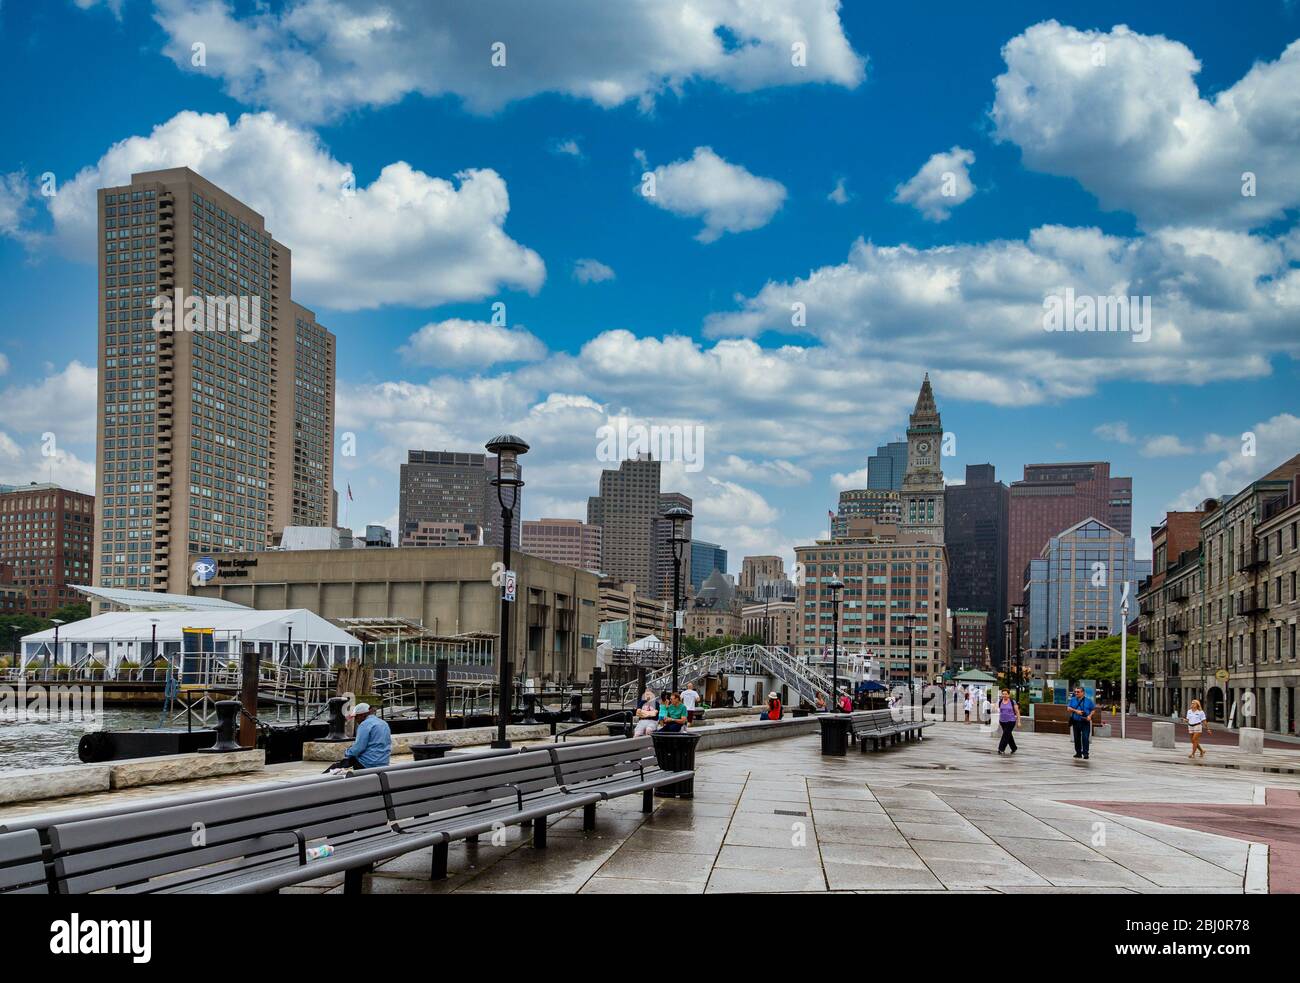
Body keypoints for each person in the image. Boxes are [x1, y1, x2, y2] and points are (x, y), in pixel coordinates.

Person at [326, 702, 391, 772]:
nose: (356, 720)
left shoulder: (364, 725)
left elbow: (359, 748)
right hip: (384, 762)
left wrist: (347, 752)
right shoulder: (384, 723)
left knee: (338, 765)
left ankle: (322, 778)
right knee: (349, 760)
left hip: (368, 764)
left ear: (362, 715)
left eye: (356, 717)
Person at [1067, 685, 1096, 759]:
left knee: (1085, 738)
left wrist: (1090, 716)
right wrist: (1076, 711)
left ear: (1083, 693)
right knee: (1076, 738)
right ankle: (1078, 753)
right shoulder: (1072, 700)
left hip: (1085, 721)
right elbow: (1068, 708)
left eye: (1078, 692)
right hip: (1076, 721)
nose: (1076, 693)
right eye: (1075, 692)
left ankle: (1085, 753)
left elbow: (1093, 710)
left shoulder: (1088, 701)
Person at [996, 689, 1019, 755]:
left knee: (1005, 735)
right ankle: (1014, 748)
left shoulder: (1012, 702)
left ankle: (1001, 749)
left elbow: (1017, 712)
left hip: (1011, 721)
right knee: (1008, 735)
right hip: (1002, 721)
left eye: (1006, 694)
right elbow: (996, 709)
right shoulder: (1000, 701)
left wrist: (1019, 722)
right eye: (1003, 694)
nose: (1004, 695)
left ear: (1009, 695)